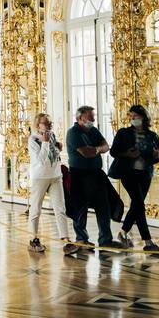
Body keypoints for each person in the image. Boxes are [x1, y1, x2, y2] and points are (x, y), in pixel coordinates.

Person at [108, 104, 159, 251]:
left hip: (145, 174)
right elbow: (113, 152)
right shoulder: (123, 133)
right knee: (139, 204)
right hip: (127, 172)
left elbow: (158, 157)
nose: (133, 119)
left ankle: (123, 232)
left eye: (136, 116)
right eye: (131, 117)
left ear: (143, 117)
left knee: (137, 205)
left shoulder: (153, 136)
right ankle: (148, 241)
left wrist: (157, 156)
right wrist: (127, 154)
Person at [65, 105, 112, 250]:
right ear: (80, 118)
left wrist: (96, 149)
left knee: (103, 206)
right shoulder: (73, 133)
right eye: (90, 116)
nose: (93, 119)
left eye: (93, 116)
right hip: (79, 175)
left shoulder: (93, 130)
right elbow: (86, 152)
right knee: (80, 208)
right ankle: (82, 239)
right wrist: (97, 149)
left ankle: (105, 240)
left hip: (96, 174)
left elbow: (106, 146)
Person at [26, 112, 70, 252]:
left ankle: (65, 239)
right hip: (40, 177)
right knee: (36, 209)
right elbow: (40, 159)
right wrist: (45, 143)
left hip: (55, 176)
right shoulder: (32, 139)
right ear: (38, 125)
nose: (49, 125)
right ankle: (33, 239)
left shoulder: (51, 135)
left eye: (50, 123)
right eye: (46, 123)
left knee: (60, 208)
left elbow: (54, 155)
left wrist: (57, 147)